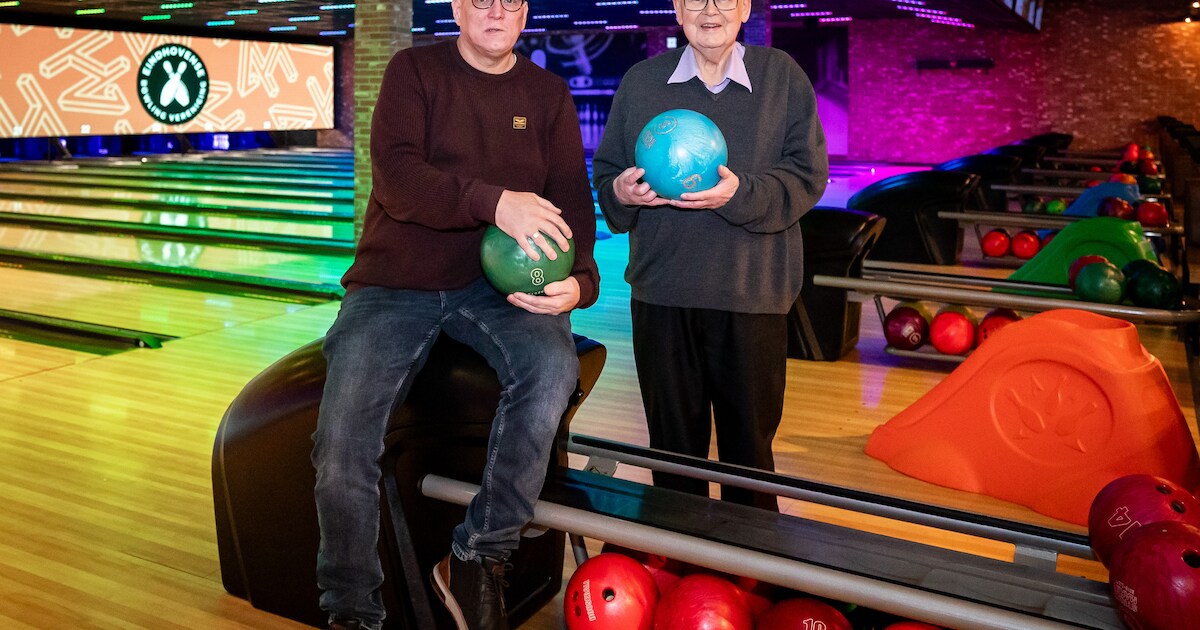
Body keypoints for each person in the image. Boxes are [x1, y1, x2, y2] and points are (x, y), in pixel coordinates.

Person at [310, 0, 599, 627]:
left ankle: (477, 553)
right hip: (396, 281)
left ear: (524, 12)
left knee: (552, 370)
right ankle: (352, 608)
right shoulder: (413, 71)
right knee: (341, 438)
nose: (496, 9)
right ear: (457, 7)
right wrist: (495, 203)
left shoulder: (547, 94)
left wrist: (581, 280)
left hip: (499, 290)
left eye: (511, 0)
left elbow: (573, 198)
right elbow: (396, 176)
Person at [592, 0, 828, 510]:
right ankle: (681, 571)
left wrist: (736, 196)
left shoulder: (780, 77)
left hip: (752, 296)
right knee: (674, 457)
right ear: (677, 8)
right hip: (663, 297)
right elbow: (607, 176)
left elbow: (807, 178)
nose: (709, 9)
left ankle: (752, 578)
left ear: (744, 7)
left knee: (749, 458)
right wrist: (622, 194)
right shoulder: (642, 82)